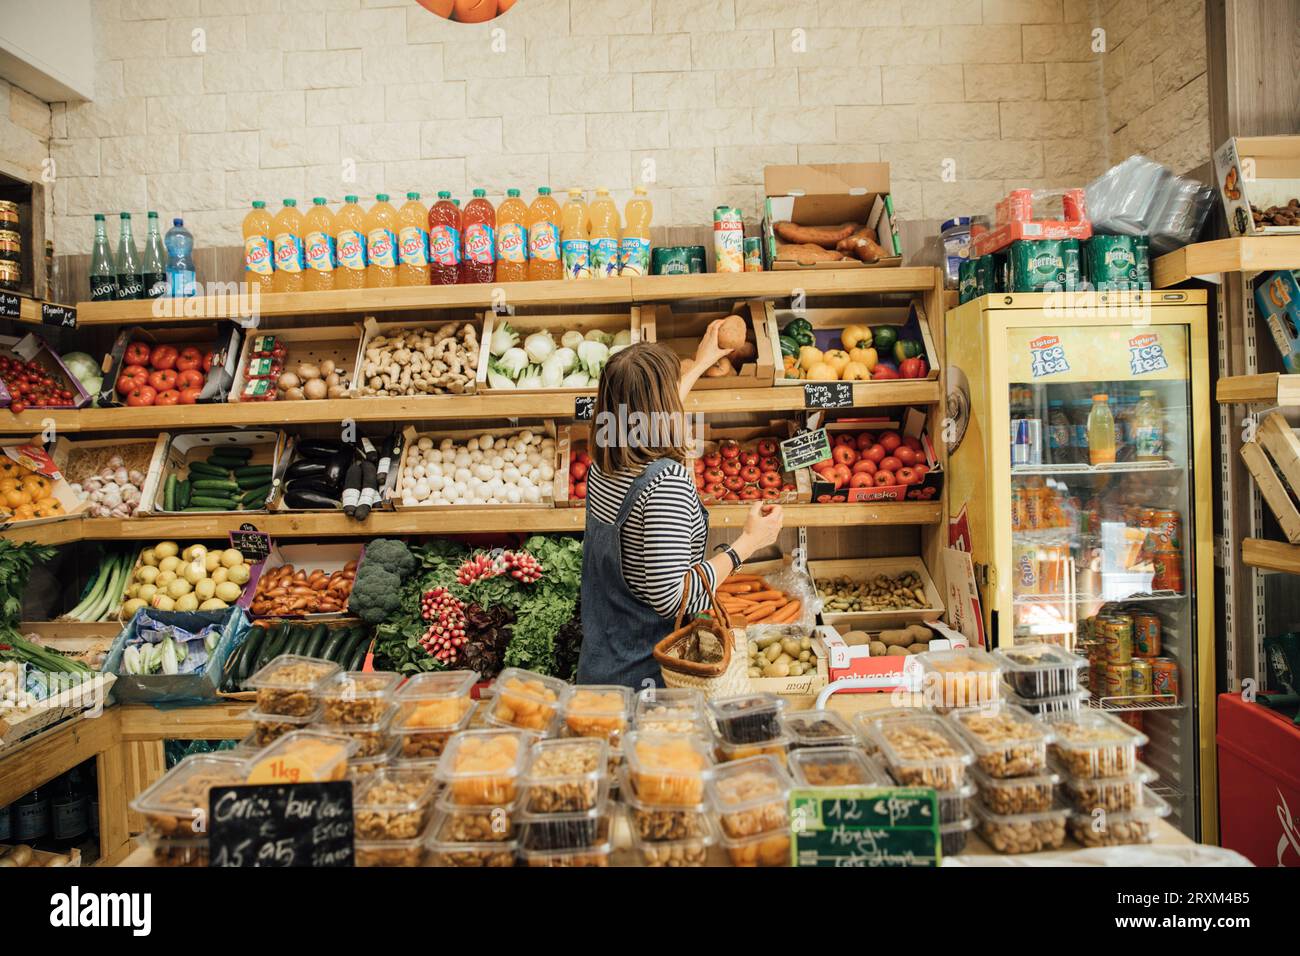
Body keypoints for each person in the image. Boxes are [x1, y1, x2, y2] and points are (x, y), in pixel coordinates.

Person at [576, 319, 785, 688]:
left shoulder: (605, 467)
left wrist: (701, 363)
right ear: (663, 406)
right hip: (651, 680)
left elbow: (646, 417)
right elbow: (676, 598)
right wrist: (748, 542)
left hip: (603, 665)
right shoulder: (665, 483)